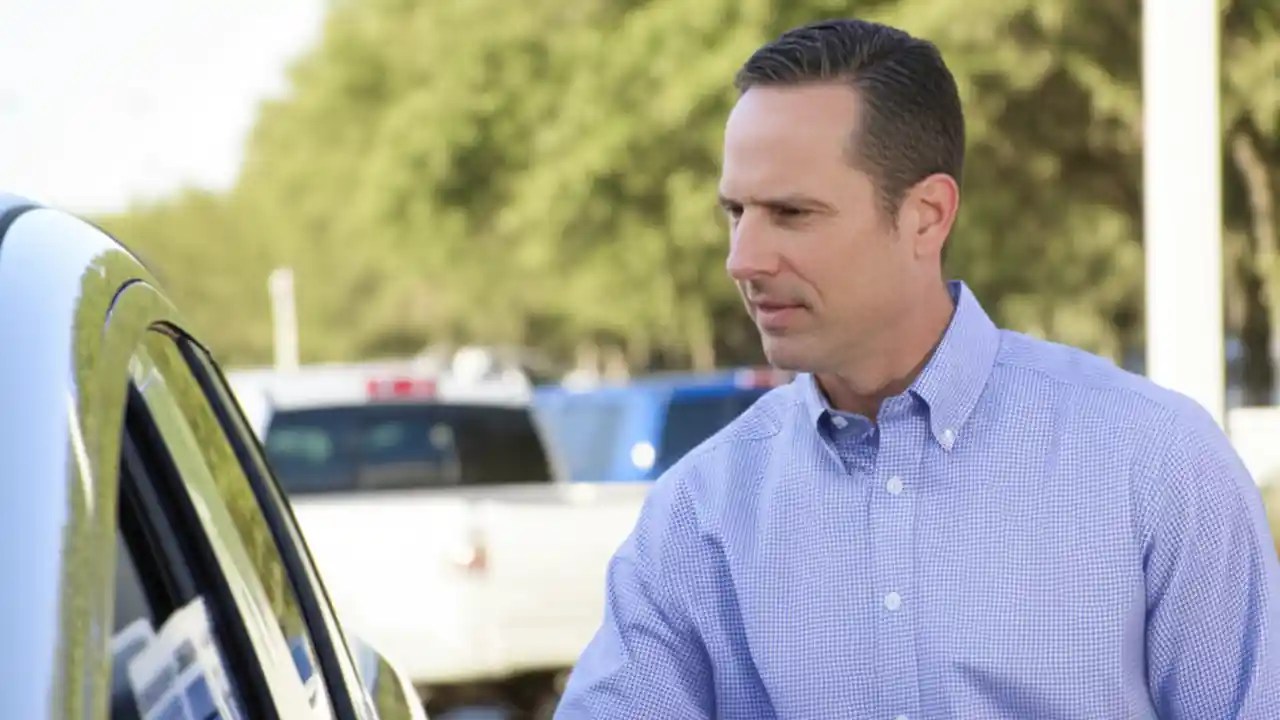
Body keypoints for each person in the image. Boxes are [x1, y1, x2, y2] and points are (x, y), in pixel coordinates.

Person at [554, 18, 1280, 719]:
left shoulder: (1153, 465)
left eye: (793, 213)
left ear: (927, 215)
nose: (743, 259)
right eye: (736, 212)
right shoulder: (698, 515)